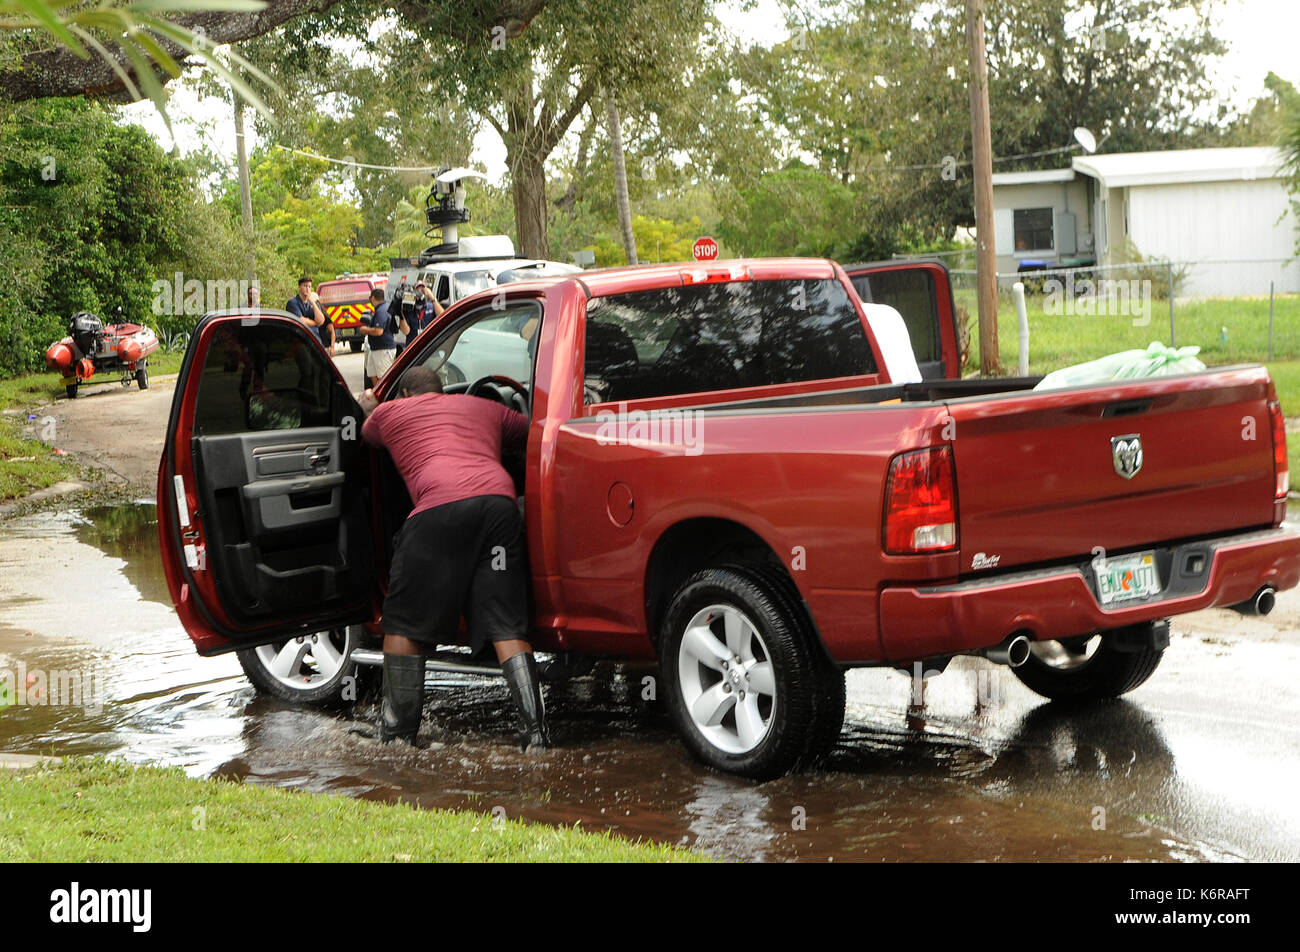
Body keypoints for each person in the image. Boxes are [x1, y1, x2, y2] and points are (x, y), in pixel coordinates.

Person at [357, 366, 547, 751]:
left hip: (438, 512)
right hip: (499, 509)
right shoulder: (481, 407)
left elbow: (368, 435)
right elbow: (533, 430)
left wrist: (369, 405)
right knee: (506, 624)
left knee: (403, 623)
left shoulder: (391, 412)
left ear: (406, 394)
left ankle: (397, 735)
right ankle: (536, 736)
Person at [358, 287, 406, 387]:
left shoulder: (381, 311)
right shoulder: (383, 308)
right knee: (372, 374)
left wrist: (365, 330)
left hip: (383, 350)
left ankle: (386, 399)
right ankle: (378, 397)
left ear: (373, 298)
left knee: (384, 378)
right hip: (375, 349)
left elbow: (379, 331)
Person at [286, 278, 333, 351]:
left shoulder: (311, 303)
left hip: (315, 339)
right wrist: (315, 323)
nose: (307, 289)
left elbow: (321, 321)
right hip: (301, 341)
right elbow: (301, 320)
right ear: (299, 287)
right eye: (305, 286)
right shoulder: (293, 302)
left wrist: (312, 302)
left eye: (309, 286)